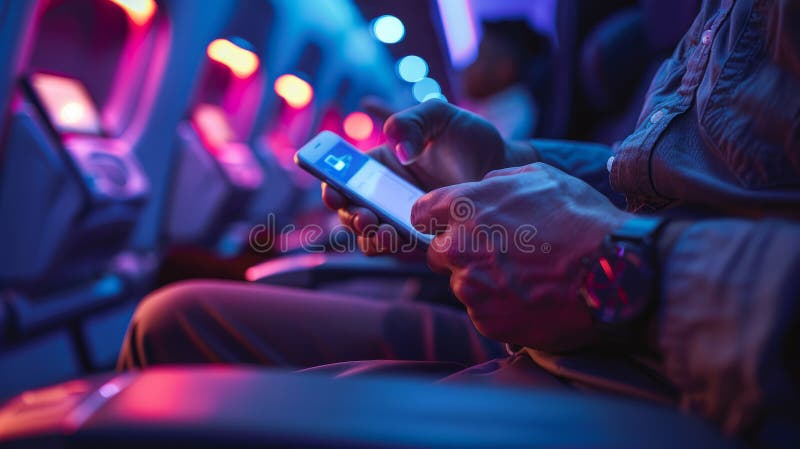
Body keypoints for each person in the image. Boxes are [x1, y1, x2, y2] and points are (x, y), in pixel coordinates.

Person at [119, 0, 800, 446]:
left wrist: (627, 267)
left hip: (687, 372)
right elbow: (663, 180)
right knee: (173, 317)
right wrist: (508, 162)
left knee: (162, 366)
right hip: (597, 338)